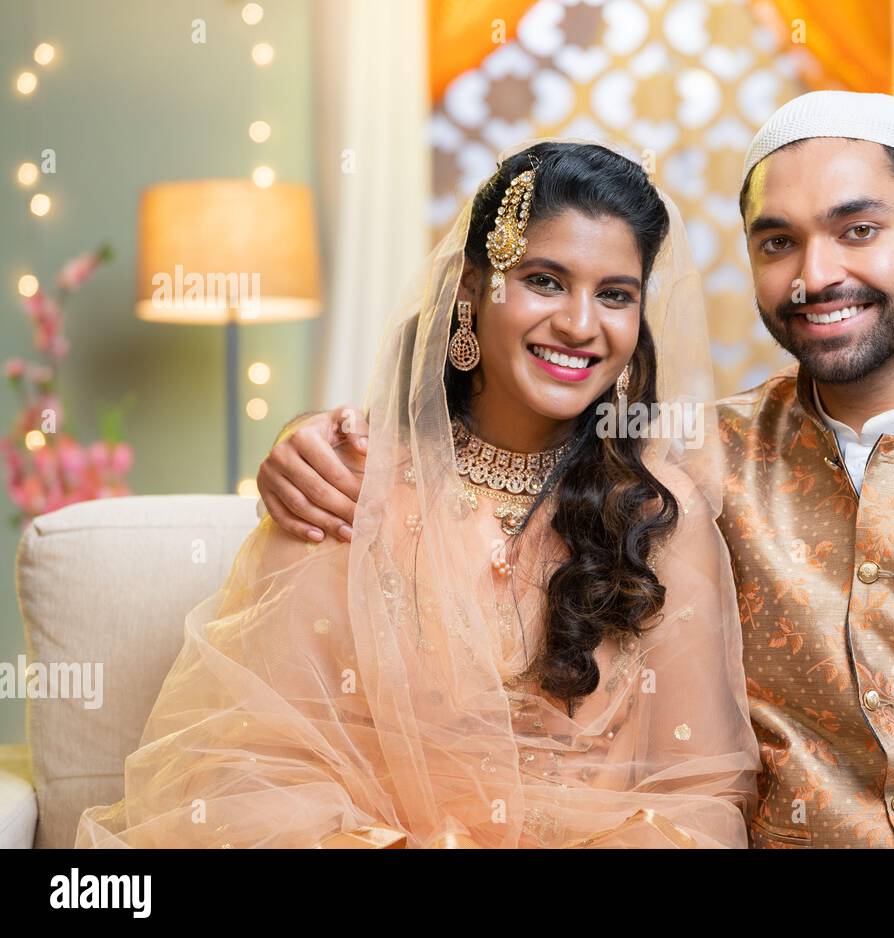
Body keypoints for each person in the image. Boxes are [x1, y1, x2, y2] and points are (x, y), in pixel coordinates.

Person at [257, 93, 894, 848]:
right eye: (777, 242)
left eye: (858, 228)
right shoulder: (687, 458)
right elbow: (498, 459)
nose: (817, 272)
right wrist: (316, 438)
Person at [76, 140, 759, 849]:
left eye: (614, 294)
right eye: (545, 281)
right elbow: (253, 774)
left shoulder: (656, 512)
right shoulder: (348, 484)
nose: (581, 325)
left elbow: (696, 796)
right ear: (470, 288)